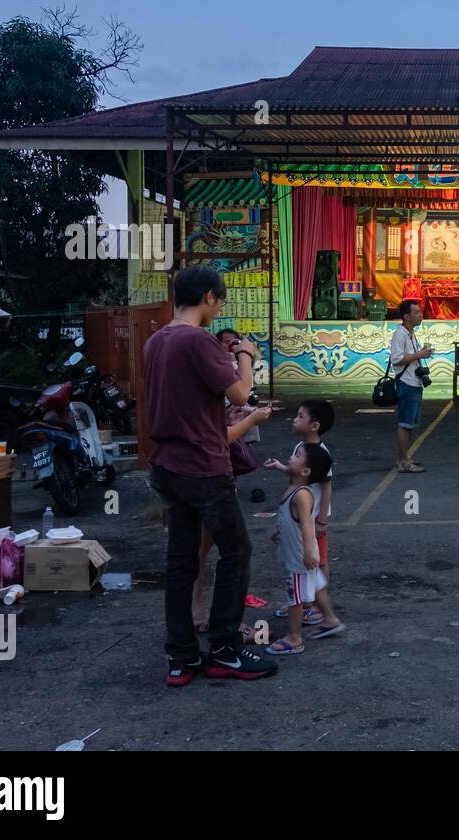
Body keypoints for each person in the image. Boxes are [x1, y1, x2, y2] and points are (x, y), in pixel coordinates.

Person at [144, 265, 276, 685]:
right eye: (218, 301)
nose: (218, 309)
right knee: (236, 552)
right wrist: (245, 356)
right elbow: (240, 393)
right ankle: (224, 649)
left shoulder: (155, 340)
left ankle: (181, 658)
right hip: (203, 465)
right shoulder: (197, 341)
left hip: (166, 463)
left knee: (181, 562)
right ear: (207, 298)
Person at [264, 399, 342, 639]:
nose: (294, 419)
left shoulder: (320, 454)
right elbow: (296, 472)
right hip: (298, 518)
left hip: (310, 520)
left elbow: (327, 487)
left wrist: (322, 519)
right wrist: (280, 466)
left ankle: (313, 608)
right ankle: (308, 606)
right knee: (309, 567)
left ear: (314, 425)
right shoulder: (301, 447)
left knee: (315, 563)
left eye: (300, 416)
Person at [191, 401, 272, 632]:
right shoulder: (207, 375)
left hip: (199, 472)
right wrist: (249, 421)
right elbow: (218, 437)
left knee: (202, 546)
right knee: (235, 551)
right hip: (209, 473)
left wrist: (234, 418)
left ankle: (198, 612)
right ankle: (228, 629)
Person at [390, 300, 433, 473]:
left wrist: (420, 353)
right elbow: (397, 359)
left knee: (409, 423)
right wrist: (420, 354)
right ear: (406, 316)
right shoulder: (400, 334)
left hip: (413, 382)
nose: (420, 315)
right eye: (416, 312)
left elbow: (409, 356)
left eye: (420, 312)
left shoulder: (410, 333)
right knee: (405, 423)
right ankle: (402, 461)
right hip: (407, 383)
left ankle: (404, 457)